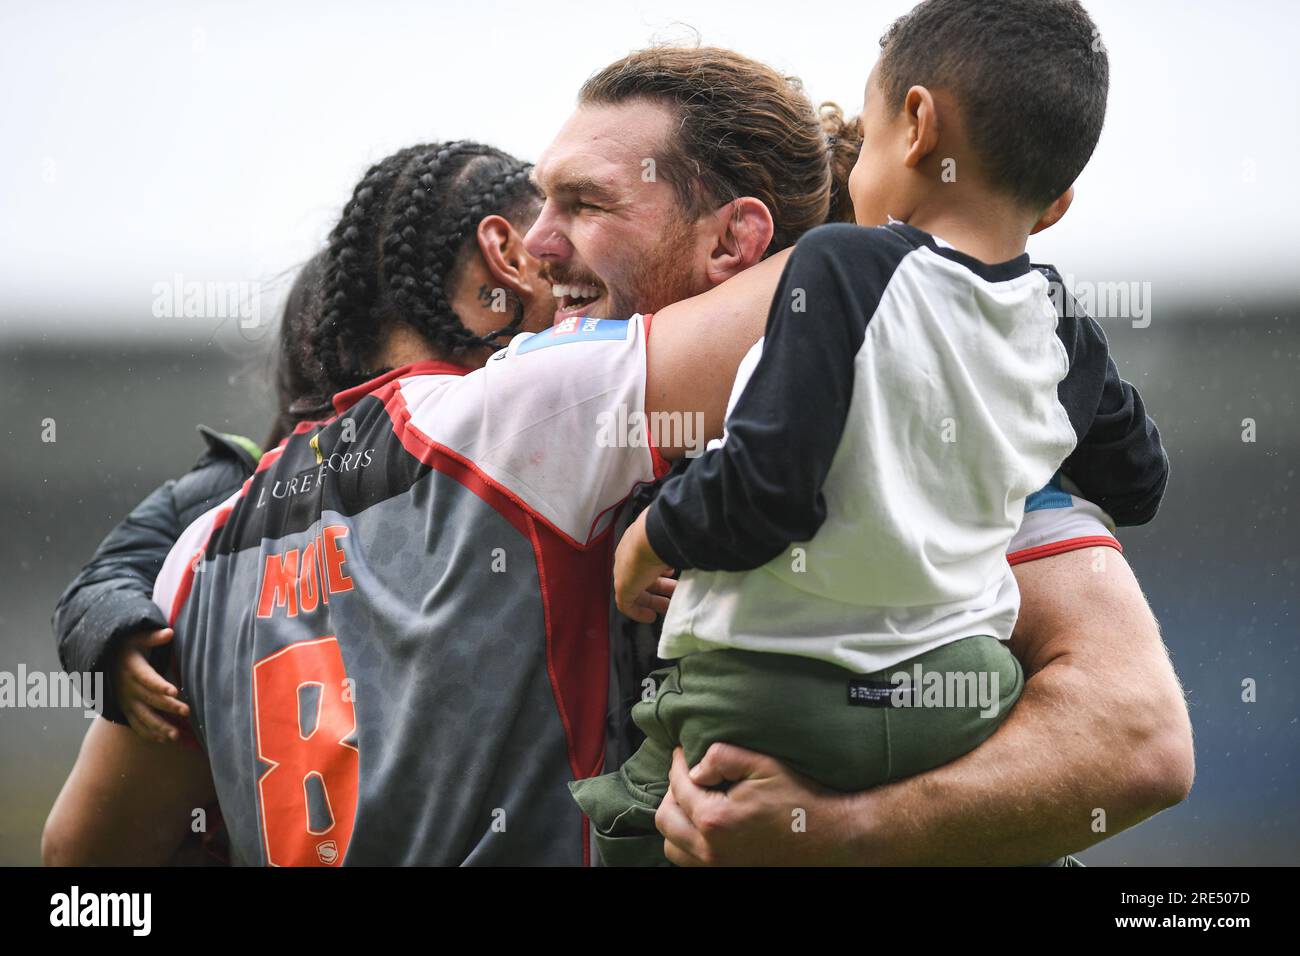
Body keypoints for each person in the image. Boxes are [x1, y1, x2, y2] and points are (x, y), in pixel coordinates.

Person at [523, 43, 1192, 865]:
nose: (536, 245)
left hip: (759, 723)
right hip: (958, 695)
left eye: (587, 203)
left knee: (637, 817)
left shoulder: (856, 298)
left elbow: (1140, 745)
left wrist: (841, 832)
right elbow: (1141, 476)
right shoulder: (1035, 337)